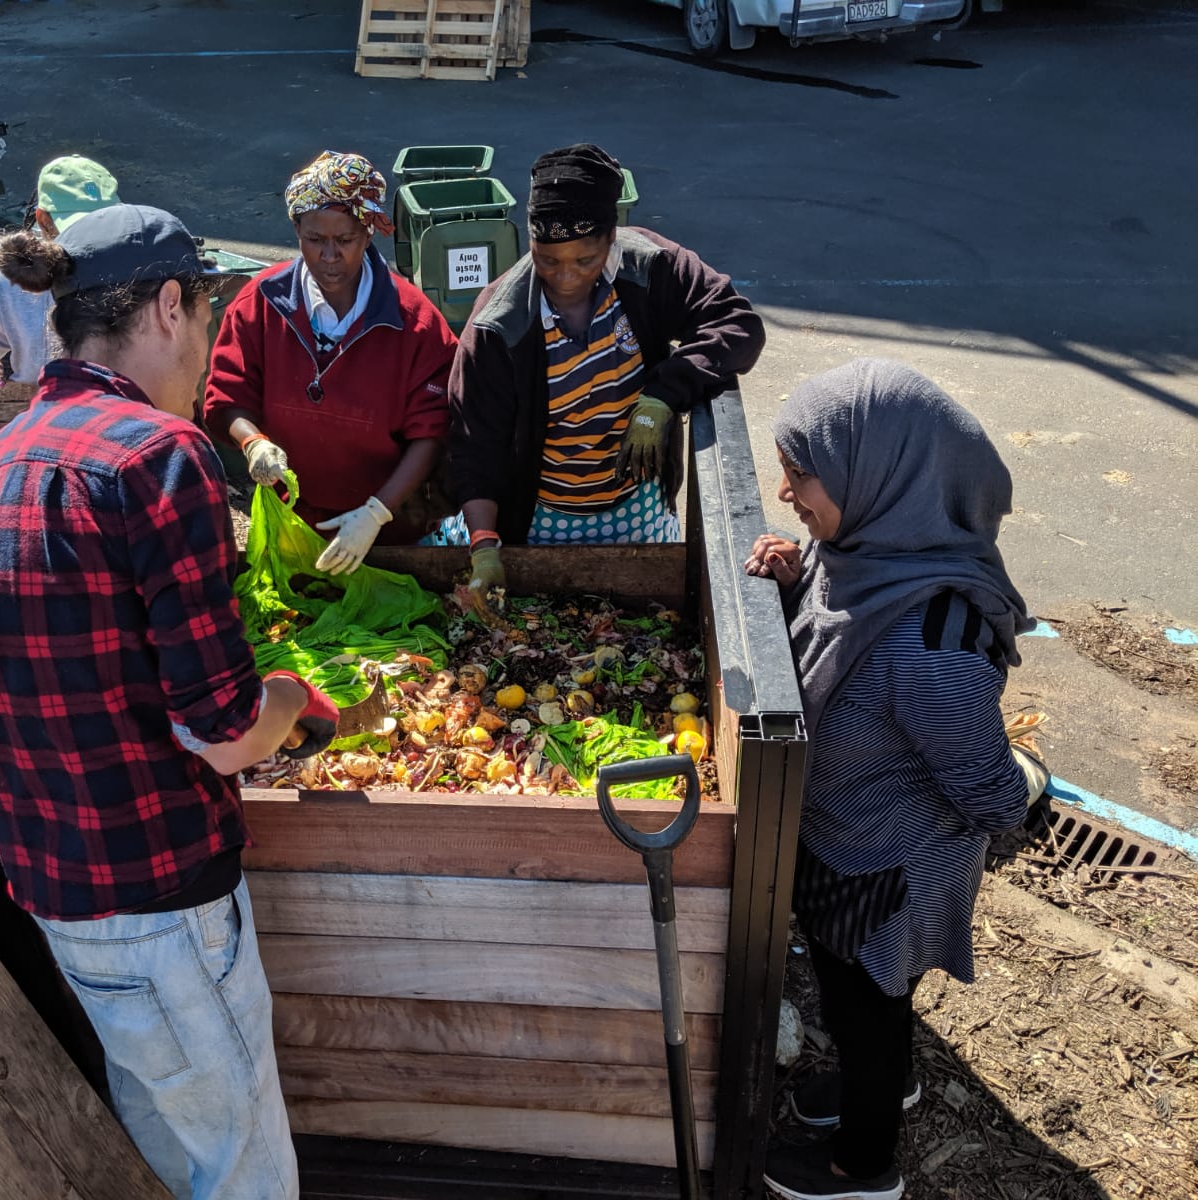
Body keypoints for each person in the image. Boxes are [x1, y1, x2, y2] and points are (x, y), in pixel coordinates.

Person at [0, 203, 340, 1200]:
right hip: (160, 901)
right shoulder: (157, 457)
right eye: (204, 324)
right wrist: (294, 701)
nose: (206, 356)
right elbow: (223, 734)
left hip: (56, 891)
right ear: (168, 306)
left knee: (172, 1144)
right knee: (242, 1166)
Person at [744, 359, 1041, 1200]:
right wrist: (798, 579)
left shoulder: (931, 646)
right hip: (843, 837)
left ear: (881, 475)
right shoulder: (863, 549)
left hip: (888, 870)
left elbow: (988, 789)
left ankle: (861, 1165)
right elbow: (835, 614)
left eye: (803, 473)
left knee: (869, 999)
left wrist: (1014, 801)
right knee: (853, 994)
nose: (786, 491)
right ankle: (881, 1078)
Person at [447, 143, 764, 611]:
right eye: (548, 259)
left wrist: (662, 396)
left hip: (634, 506)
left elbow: (739, 326)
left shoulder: (651, 267)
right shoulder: (499, 322)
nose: (567, 276)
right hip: (539, 518)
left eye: (585, 258)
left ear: (612, 237)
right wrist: (486, 546)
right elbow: (475, 443)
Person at [204, 150, 457, 575]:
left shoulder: (413, 322)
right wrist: (253, 443)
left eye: (345, 240)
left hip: (389, 528)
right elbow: (227, 394)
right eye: (314, 240)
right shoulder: (260, 303)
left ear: (367, 234)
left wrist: (376, 512)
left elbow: (432, 432)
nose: (329, 256)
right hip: (293, 520)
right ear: (296, 231)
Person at [0, 154, 120, 397]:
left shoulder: (144, 272)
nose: (95, 240)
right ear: (44, 221)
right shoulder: (8, 284)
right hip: (43, 424)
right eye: (79, 228)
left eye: (108, 226)